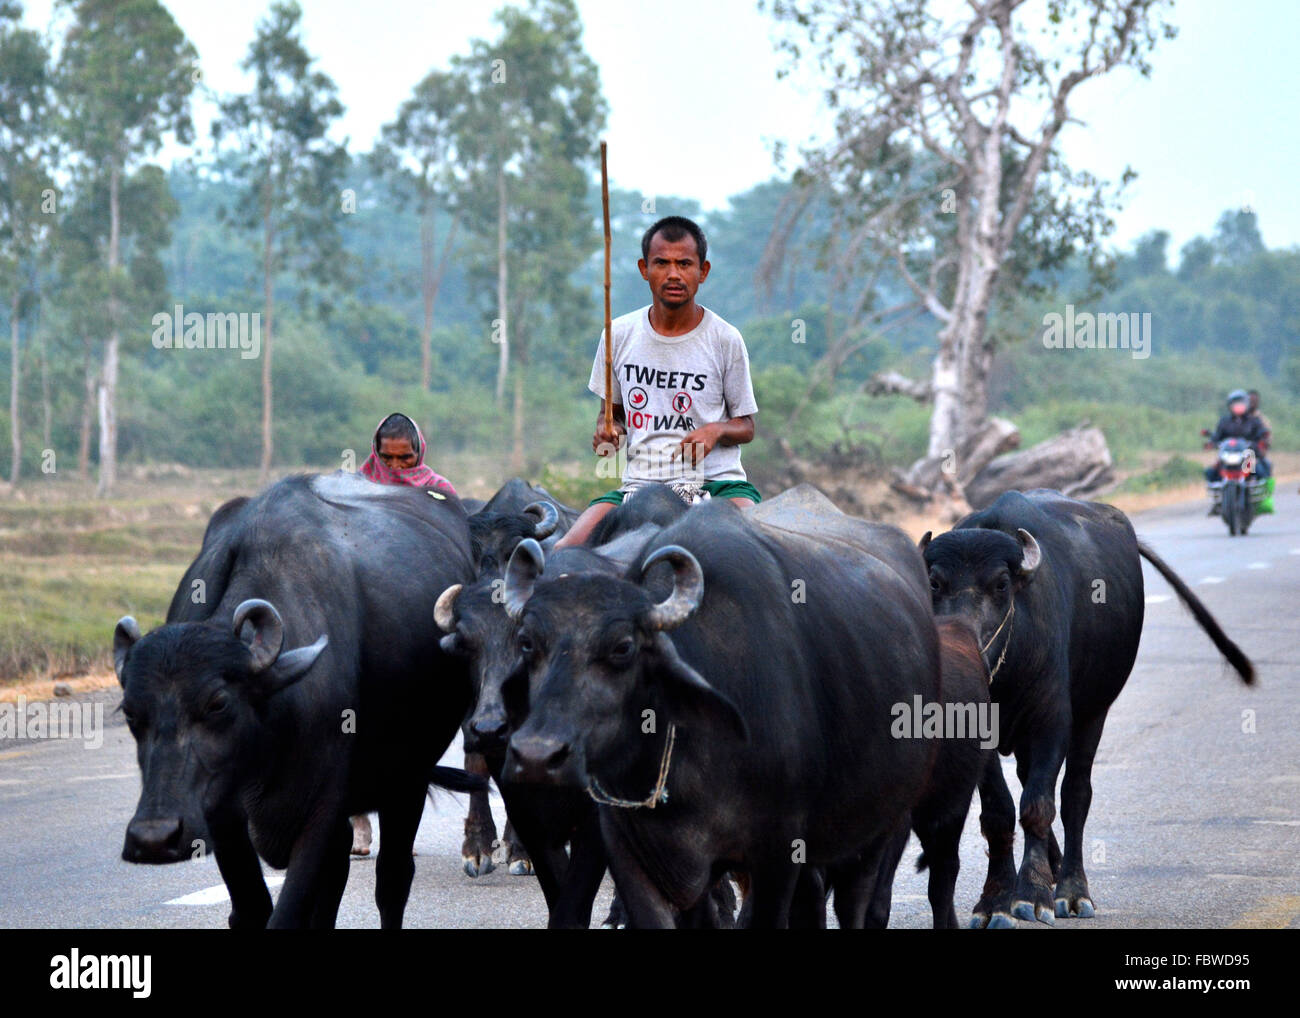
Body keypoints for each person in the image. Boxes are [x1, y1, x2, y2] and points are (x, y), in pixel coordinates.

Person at [555, 216, 759, 549]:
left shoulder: (725, 338)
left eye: (685, 264)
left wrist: (716, 430)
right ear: (644, 269)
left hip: (716, 484)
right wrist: (609, 432)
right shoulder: (618, 335)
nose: (674, 274)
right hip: (639, 487)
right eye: (662, 263)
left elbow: (746, 427)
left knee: (756, 554)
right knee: (562, 553)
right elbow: (612, 416)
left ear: (703, 271)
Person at [351, 411, 456, 855]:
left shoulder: (438, 493)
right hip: (359, 611)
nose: (396, 468)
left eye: (405, 458)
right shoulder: (353, 490)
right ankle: (355, 818)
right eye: (387, 458)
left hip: (417, 618)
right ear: (375, 452)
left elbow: (454, 553)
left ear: (420, 452)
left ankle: (399, 815)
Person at [1204, 389, 1270, 515]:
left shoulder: (1254, 421)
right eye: (1235, 403)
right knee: (1210, 473)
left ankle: (1260, 500)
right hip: (1228, 456)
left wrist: (1262, 441)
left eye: (1241, 403)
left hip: (1248, 456)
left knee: (1261, 471)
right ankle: (1217, 502)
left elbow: (1262, 434)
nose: (1238, 406)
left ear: (1246, 404)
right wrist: (1211, 443)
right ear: (1230, 405)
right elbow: (1217, 437)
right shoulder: (1224, 421)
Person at [1247, 389, 1275, 513]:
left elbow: (1267, 438)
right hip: (1239, 455)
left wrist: (1263, 447)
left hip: (1254, 455)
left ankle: (1263, 499)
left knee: (1264, 468)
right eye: (1249, 401)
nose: (1251, 403)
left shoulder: (1262, 420)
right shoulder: (1238, 418)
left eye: (1254, 401)